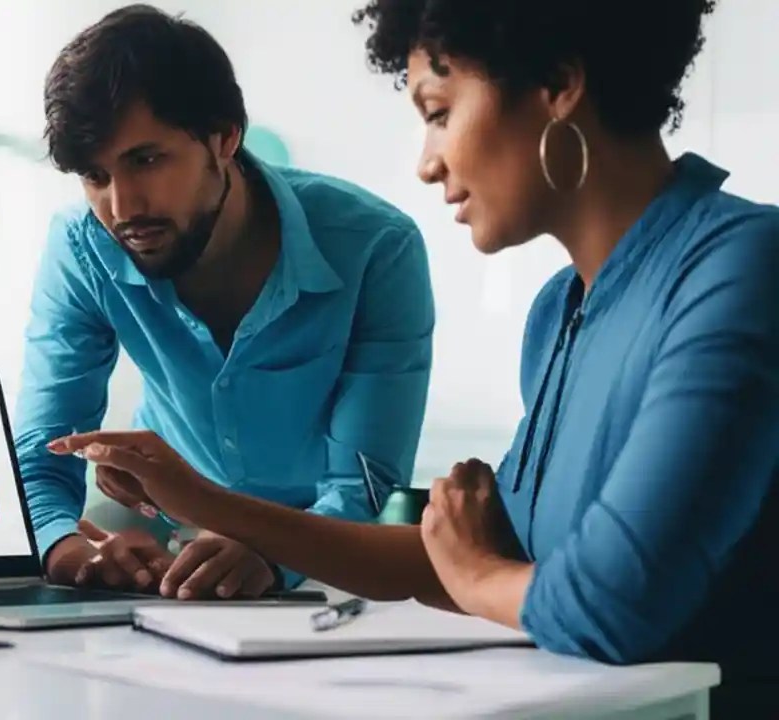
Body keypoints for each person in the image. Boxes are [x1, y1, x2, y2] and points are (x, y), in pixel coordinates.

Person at [51, 0, 778, 713]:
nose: (428, 163)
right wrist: (203, 501)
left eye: (438, 113)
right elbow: (454, 560)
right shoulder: (561, 309)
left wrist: (478, 569)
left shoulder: (742, 266)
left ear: (558, 86)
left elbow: (611, 599)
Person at [16, 4, 435, 601]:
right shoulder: (82, 246)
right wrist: (69, 552)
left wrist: (272, 555)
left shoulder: (375, 249)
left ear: (225, 138)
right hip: (153, 539)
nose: (121, 206)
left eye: (147, 160)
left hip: (321, 552)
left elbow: (361, 487)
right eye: (94, 176)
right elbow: (40, 454)